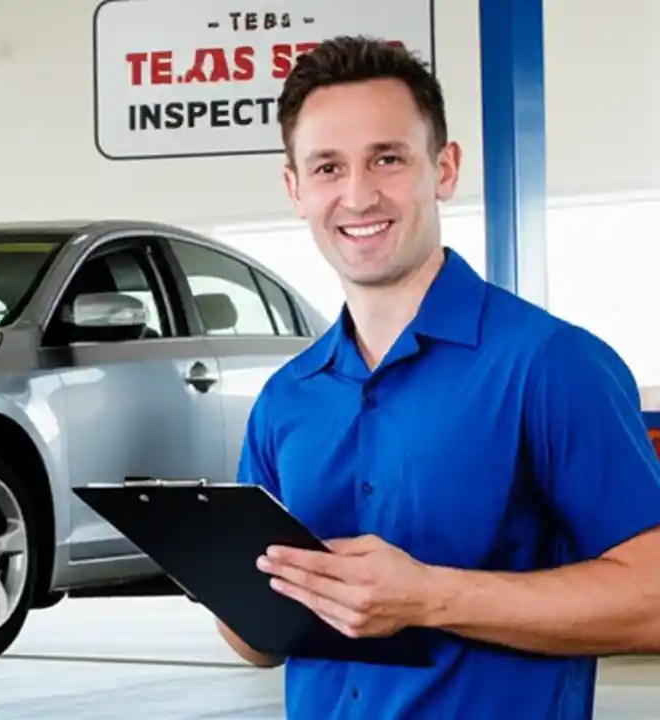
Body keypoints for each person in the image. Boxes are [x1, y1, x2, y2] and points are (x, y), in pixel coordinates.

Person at [218, 35, 660, 719]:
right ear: (295, 189)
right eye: (328, 168)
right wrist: (220, 575)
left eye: (387, 159)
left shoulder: (551, 366)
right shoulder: (285, 400)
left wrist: (429, 596)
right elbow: (254, 644)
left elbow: (653, 599)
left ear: (444, 169)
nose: (358, 195)